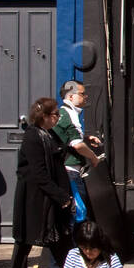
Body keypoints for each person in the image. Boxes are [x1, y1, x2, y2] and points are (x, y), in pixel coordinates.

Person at [9, 97, 74, 268]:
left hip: (49, 198)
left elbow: (61, 151)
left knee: (59, 240)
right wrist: (60, 195)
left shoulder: (48, 134)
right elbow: (38, 173)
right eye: (55, 114)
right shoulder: (32, 137)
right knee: (24, 243)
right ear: (44, 116)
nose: (57, 117)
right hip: (34, 198)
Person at [54, 80, 102, 228]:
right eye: (82, 94)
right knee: (79, 213)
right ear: (70, 97)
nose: (86, 97)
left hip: (68, 172)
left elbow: (68, 138)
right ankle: (76, 249)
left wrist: (86, 138)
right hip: (70, 173)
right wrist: (93, 157)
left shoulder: (66, 114)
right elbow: (77, 145)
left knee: (77, 213)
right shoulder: (68, 114)